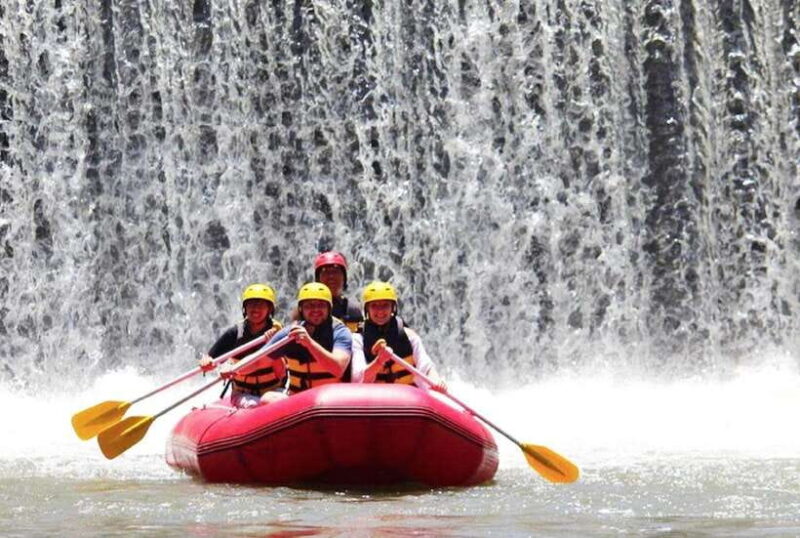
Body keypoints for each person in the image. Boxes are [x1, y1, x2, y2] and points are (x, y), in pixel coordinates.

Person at [198, 283, 287, 408]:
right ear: (245, 308)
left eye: (261, 304)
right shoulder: (235, 333)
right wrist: (206, 362)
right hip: (243, 393)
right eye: (251, 304)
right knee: (253, 405)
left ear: (269, 309)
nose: (255, 309)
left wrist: (272, 344)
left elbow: (281, 372)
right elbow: (211, 359)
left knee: (272, 402)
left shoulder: (278, 332)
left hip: (273, 390)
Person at [260, 282, 354, 394]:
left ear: (329, 308)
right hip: (298, 399)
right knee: (268, 398)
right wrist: (237, 370)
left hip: (331, 399)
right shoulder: (290, 332)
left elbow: (338, 369)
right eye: (309, 306)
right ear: (301, 309)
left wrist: (309, 343)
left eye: (321, 305)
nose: (315, 310)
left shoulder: (340, 332)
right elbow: (258, 362)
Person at [352, 281, 447, 391]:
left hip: (407, 395)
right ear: (367, 309)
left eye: (385, 305)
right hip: (375, 398)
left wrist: (436, 381)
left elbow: (426, 367)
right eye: (374, 306)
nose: (380, 311)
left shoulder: (409, 336)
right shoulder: (358, 339)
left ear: (393, 308)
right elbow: (358, 379)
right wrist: (379, 362)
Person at [291, 251, 363, 332]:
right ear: (318, 278)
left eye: (335, 272)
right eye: (326, 272)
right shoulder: (304, 309)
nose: (331, 276)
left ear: (344, 278)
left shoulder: (352, 309)